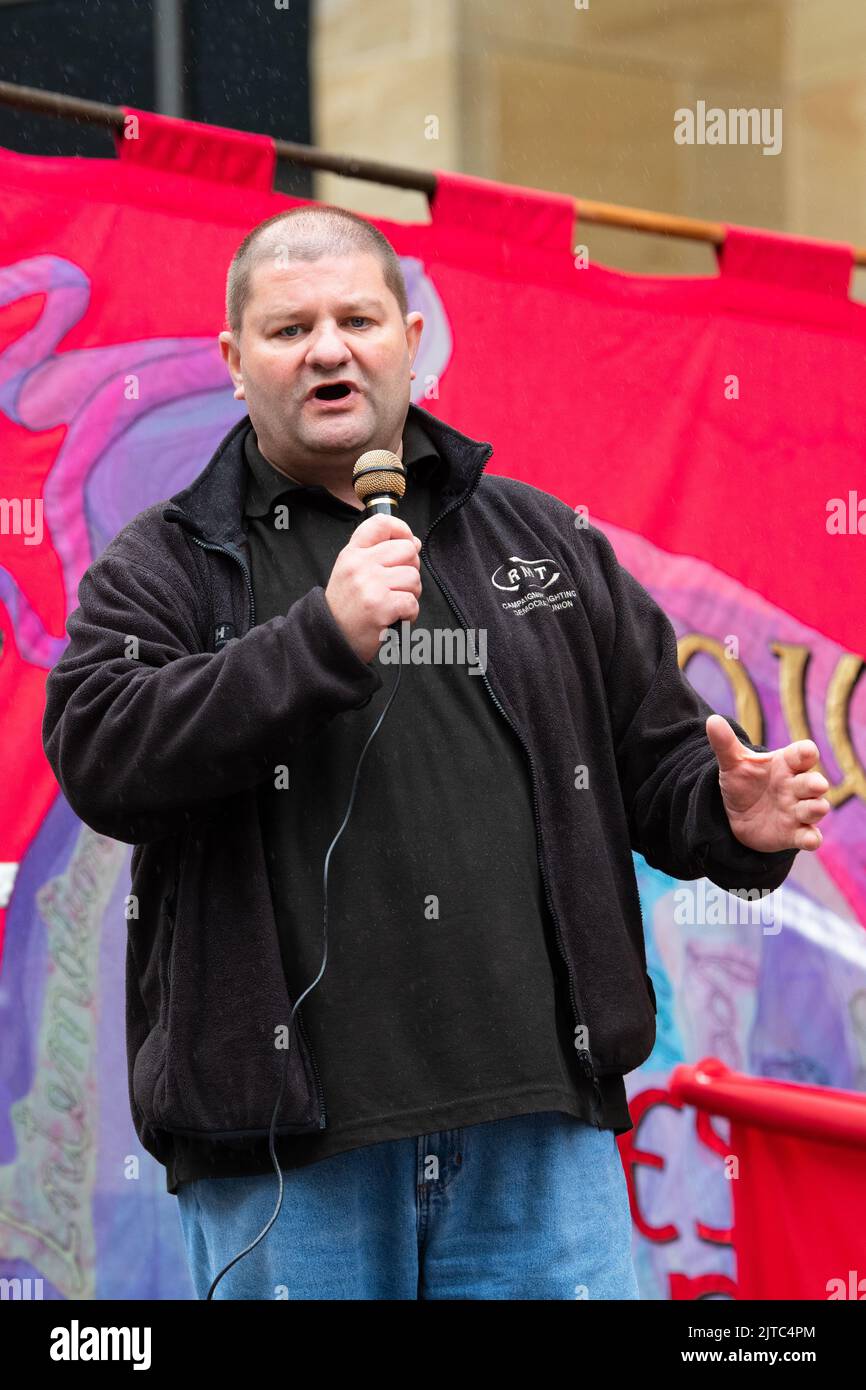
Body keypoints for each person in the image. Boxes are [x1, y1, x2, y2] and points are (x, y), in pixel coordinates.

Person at [42, 205, 830, 1300]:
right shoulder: (167, 564)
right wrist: (320, 640)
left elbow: (661, 761)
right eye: (289, 329)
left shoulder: (540, 539)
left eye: (357, 320)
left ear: (410, 339)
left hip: (538, 1136)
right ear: (233, 360)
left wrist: (729, 818)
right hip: (290, 1160)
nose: (328, 350)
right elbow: (102, 752)